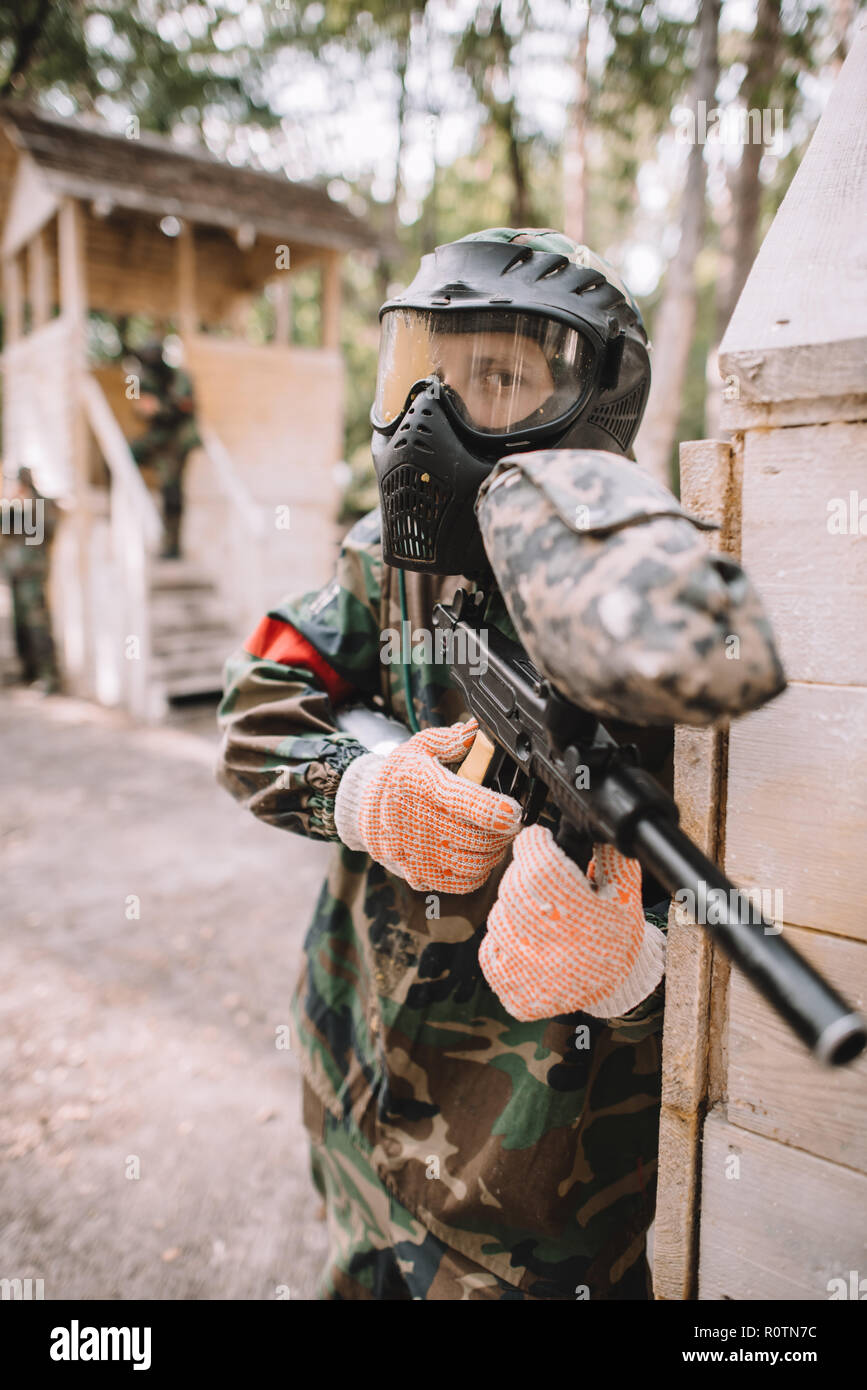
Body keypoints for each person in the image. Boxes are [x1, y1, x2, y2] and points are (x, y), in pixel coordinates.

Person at [216, 227, 667, 1300]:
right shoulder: (387, 560)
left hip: (529, 1211)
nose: (430, 418)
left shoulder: (664, 620)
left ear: (588, 406)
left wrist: (640, 971)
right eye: (425, 372)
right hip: (356, 1090)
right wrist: (365, 790)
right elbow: (254, 707)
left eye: (496, 379)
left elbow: (780, 922)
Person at [127, 339, 200, 559]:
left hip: (178, 440)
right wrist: (145, 408)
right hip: (159, 439)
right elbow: (138, 406)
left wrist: (160, 408)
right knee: (127, 454)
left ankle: (172, 545)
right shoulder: (144, 379)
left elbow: (184, 407)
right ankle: (127, 510)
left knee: (172, 492)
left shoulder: (181, 378)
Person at [0, 467, 61, 693]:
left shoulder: (39, 505)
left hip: (32, 576)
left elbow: (41, 533)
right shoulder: (13, 506)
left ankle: (48, 676)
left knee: (37, 626)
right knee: (21, 627)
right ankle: (28, 672)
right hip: (15, 573)